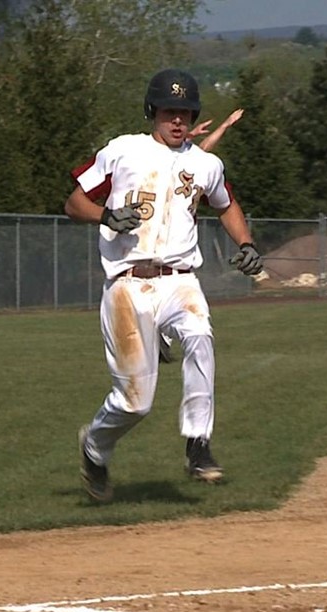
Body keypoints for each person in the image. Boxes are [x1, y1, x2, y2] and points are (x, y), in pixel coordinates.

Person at [65, 70, 263, 503]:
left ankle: (198, 443)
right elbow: (74, 200)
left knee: (199, 334)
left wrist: (246, 242)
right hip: (127, 284)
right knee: (135, 402)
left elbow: (227, 204)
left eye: (186, 113)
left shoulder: (205, 164)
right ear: (153, 111)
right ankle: (94, 448)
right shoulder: (124, 151)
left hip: (179, 279)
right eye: (170, 111)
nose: (178, 120)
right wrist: (104, 216)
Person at [158, 108, 246, 364]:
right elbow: (203, 148)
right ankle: (160, 336)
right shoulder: (160, 157)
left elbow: (202, 151)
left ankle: (163, 336)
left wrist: (222, 127)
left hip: (175, 243)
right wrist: (226, 124)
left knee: (177, 293)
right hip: (156, 240)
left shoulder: (191, 160)